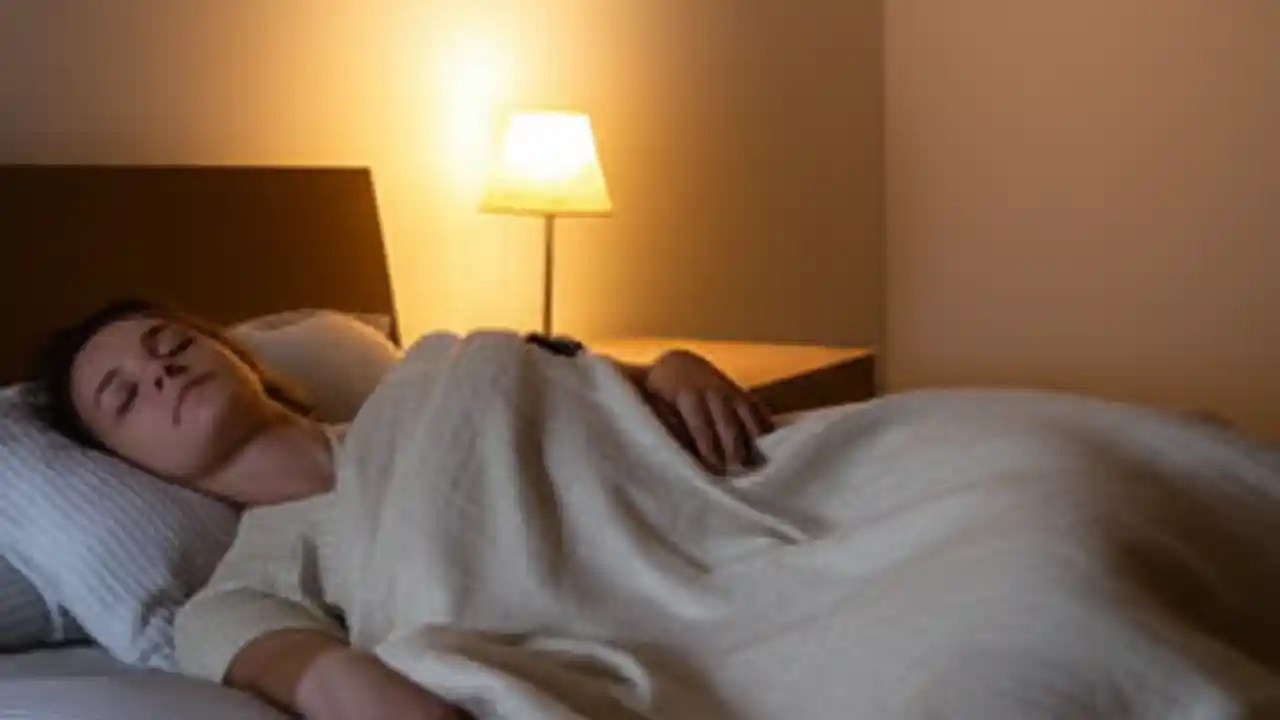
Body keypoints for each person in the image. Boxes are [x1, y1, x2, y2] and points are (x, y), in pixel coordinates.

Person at [32, 298, 776, 720]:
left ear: (241, 359)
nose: (159, 370)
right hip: (687, 649)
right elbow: (346, 691)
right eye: (124, 396)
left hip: (742, 501)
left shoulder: (427, 387)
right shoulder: (236, 594)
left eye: (170, 343)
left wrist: (666, 370)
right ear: (130, 466)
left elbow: (579, 397)